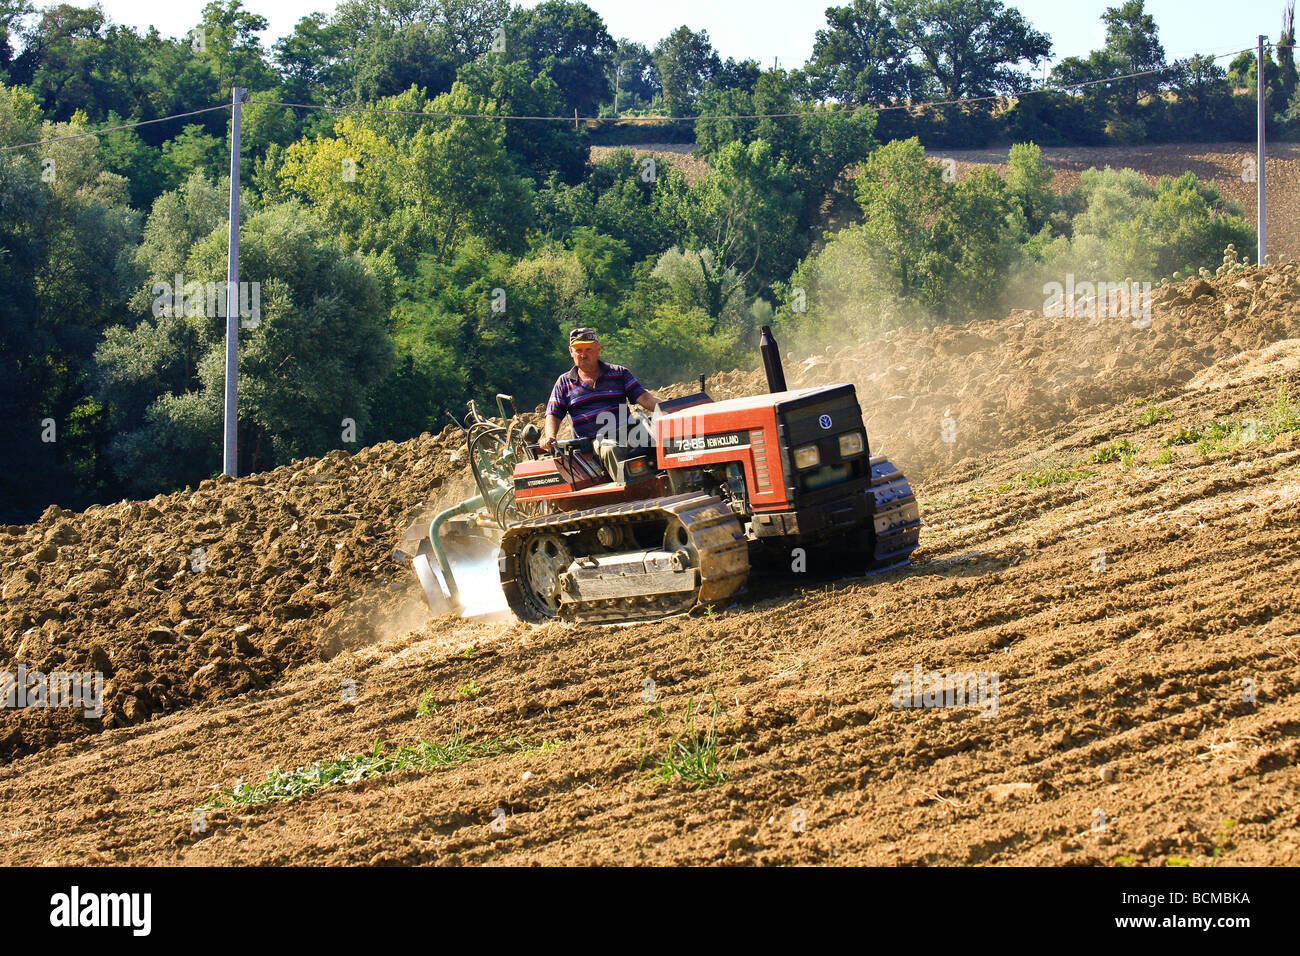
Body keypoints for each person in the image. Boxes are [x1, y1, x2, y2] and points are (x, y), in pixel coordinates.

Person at [540, 327, 659, 479]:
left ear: (598, 349)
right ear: (571, 351)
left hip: (628, 431)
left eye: (588, 349)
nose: (583, 355)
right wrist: (550, 436)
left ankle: (675, 481)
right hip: (598, 440)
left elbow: (646, 399)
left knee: (663, 438)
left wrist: (672, 408)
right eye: (578, 350)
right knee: (611, 450)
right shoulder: (563, 383)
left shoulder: (619, 373)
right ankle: (633, 490)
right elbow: (553, 414)